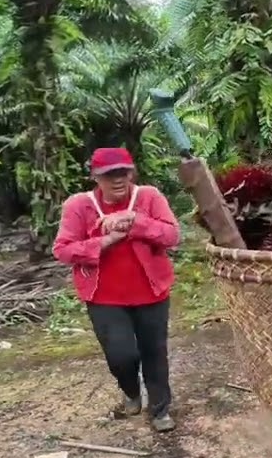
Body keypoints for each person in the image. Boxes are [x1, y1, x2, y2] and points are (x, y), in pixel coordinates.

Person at [53, 147, 181, 433]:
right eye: (108, 174)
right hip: (104, 297)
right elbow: (62, 249)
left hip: (151, 292)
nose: (118, 179)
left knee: (154, 352)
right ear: (94, 177)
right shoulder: (79, 206)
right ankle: (131, 391)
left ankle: (160, 409)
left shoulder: (149, 197)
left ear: (131, 171)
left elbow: (172, 235)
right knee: (120, 355)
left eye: (123, 172)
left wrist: (136, 221)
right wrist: (106, 240)